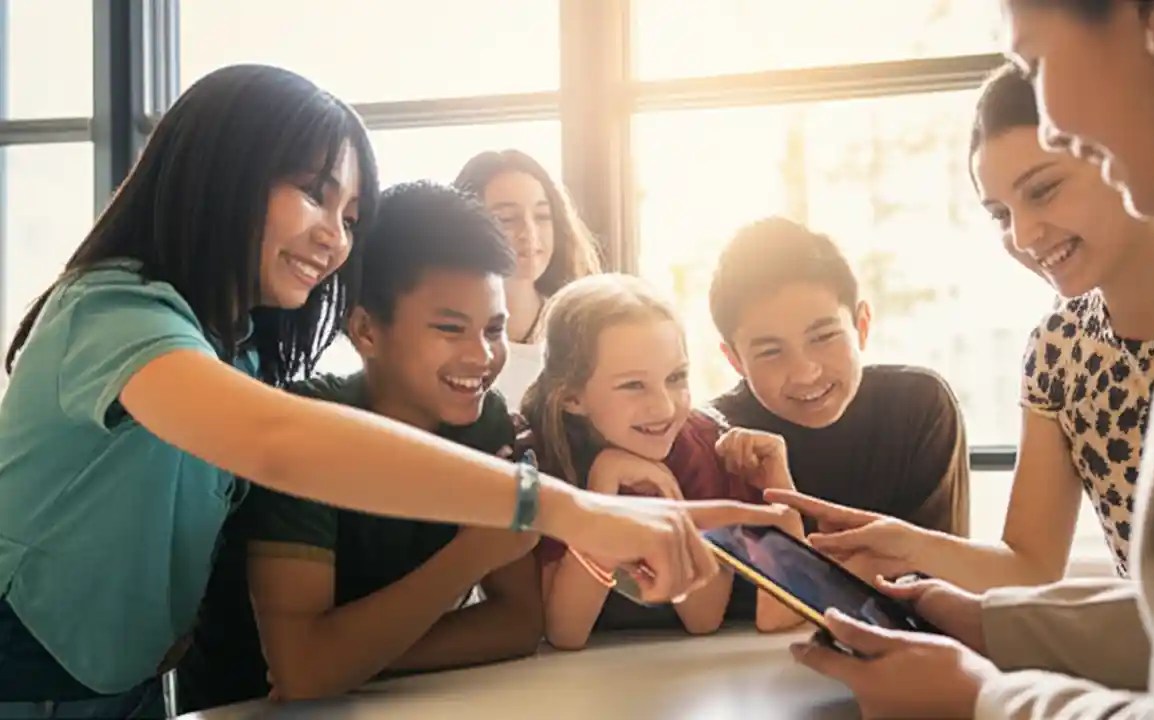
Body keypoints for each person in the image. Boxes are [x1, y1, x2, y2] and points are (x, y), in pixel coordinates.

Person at [0, 65, 780, 718]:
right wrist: (568, 509)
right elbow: (281, 444)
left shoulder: (234, 349)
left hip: (125, 685)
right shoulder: (113, 310)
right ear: (219, 169)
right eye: (313, 193)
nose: (334, 236)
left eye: (351, 215)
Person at [780, 0, 1154, 716]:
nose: (1051, 118)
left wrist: (983, 699)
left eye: (1036, 61)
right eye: (998, 212)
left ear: (1151, 18)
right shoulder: (1065, 345)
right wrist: (984, 619)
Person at [794, 65, 1154, 593]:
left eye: (1042, 191)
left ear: (1120, 152)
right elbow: (1030, 564)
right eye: (1000, 214)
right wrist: (907, 545)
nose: (1023, 235)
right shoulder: (1059, 351)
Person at [178, 182, 548, 708]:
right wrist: (475, 554)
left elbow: (517, 622)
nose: (481, 356)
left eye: (494, 329)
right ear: (366, 332)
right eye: (450, 329)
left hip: (385, 702)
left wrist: (348, 658)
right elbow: (302, 676)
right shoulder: (308, 430)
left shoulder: (484, 423)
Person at [523, 274, 807, 650]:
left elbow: (702, 618)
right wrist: (604, 487)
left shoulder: (701, 446)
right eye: (633, 385)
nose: (665, 407)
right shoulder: (543, 454)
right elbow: (566, 632)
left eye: (676, 377)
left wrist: (664, 502)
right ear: (572, 397)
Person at [708, 218, 969, 537]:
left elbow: (939, 572)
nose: (805, 373)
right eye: (771, 352)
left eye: (823, 337)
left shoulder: (918, 407)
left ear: (861, 325)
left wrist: (788, 505)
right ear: (735, 359)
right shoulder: (720, 440)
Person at [454, 150, 602, 403]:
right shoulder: (445, 341)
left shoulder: (586, 330)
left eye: (542, 217)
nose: (529, 233)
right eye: (507, 219)